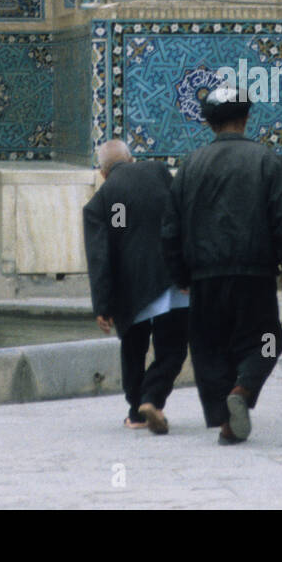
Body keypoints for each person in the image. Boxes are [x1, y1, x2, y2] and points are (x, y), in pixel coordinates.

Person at [161, 86, 282, 445]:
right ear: (245, 118)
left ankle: (225, 419)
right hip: (254, 275)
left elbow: (170, 229)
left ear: (209, 123)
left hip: (205, 277)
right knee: (269, 339)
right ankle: (242, 391)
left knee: (209, 347)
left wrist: (179, 274)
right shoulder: (265, 160)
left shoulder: (190, 164)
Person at [83, 139, 188, 434]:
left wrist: (102, 305)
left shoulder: (100, 202)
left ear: (103, 173)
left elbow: (99, 257)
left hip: (130, 288)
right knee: (173, 349)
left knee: (133, 350)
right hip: (171, 278)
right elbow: (181, 216)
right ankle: (152, 398)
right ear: (131, 159)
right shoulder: (157, 171)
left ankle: (136, 412)